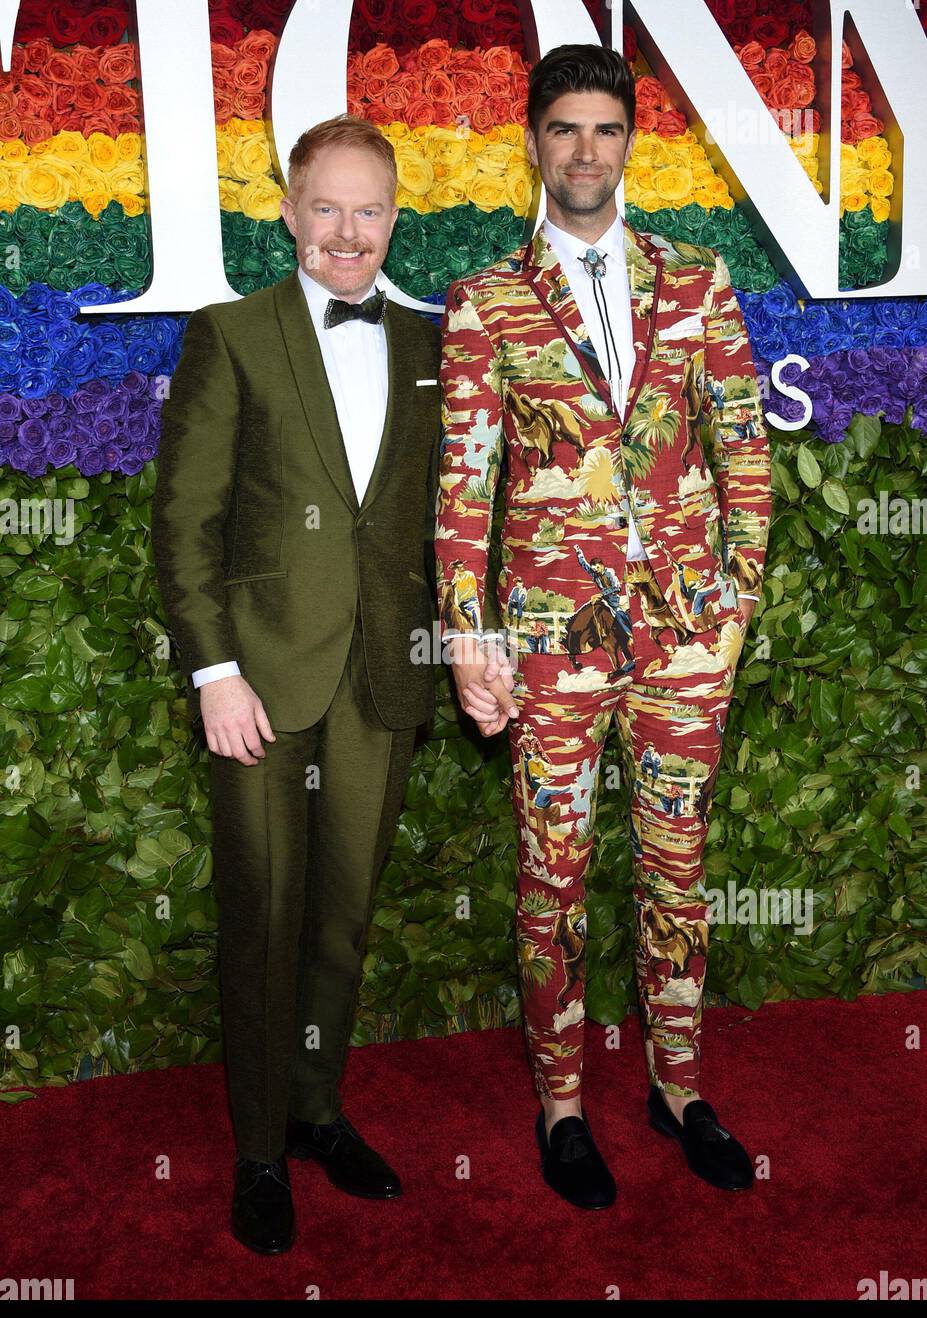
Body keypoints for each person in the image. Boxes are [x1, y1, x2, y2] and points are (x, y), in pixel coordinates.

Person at [436, 45, 771, 1209]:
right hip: (550, 649)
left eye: (607, 130)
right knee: (553, 877)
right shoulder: (484, 300)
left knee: (680, 873)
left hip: (687, 644)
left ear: (634, 144)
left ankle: (679, 1088)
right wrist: (471, 638)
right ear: (533, 143)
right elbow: (462, 488)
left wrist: (732, 602)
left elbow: (745, 449)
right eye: (566, 130)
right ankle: (564, 1106)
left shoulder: (700, 279)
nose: (586, 151)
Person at [152, 115, 442, 1255]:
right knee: (263, 919)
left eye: (370, 210)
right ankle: (259, 1149)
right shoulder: (231, 333)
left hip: (382, 679)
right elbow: (187, 521)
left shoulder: (429, 341)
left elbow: (446, 517)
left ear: (394, 219)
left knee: (343, 919)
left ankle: (320, 1111)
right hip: (260, 686)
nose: (349, 231)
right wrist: (214, 672)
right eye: (327, 206)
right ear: (286, 210)